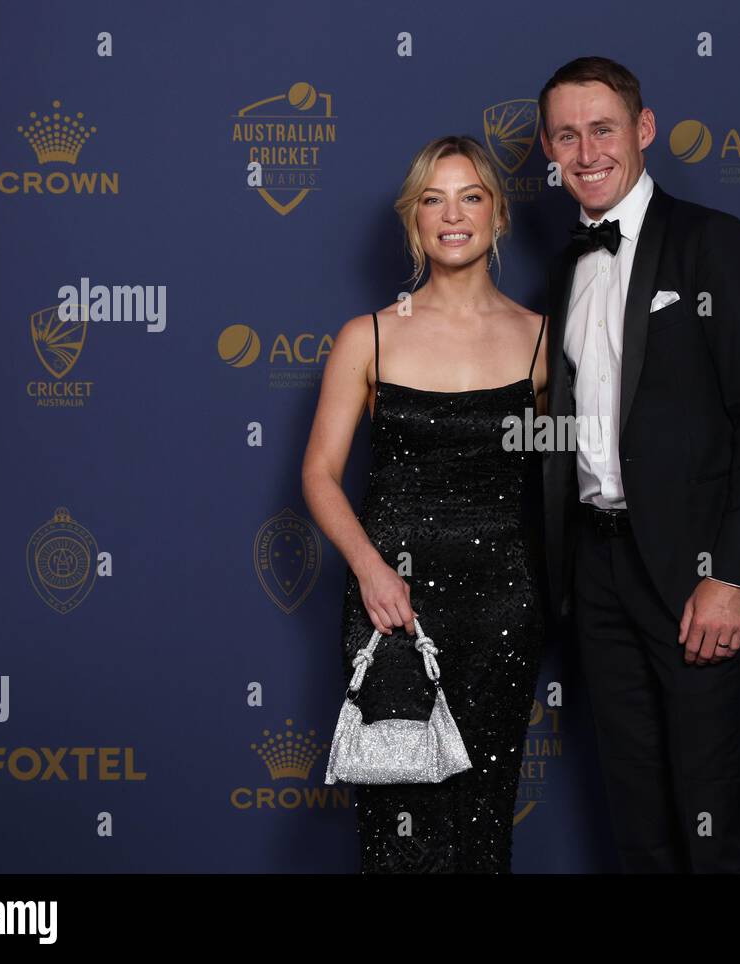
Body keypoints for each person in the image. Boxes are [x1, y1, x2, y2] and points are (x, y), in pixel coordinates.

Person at [538, 56, 740, 873]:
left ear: (643, 130)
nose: (586, 153)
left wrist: (730, 575)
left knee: (712, 818)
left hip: (698, 579)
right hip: (600, 574)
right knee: (640, 824)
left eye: (603, 129)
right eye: (566, 136)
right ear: (548, 150)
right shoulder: (565, 268)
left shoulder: (712, 243)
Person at [301, 135, 549, 873]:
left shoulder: (542, 342)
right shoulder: (368, 336)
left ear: (498, 216)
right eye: (433, 200)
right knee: (400, 826)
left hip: (505, 603)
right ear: (414, 222)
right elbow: (319, 473)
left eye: (470, 196)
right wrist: (372, 571)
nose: (452, 215)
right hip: (392, 604)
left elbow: (582, 466)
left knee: (483, 817)